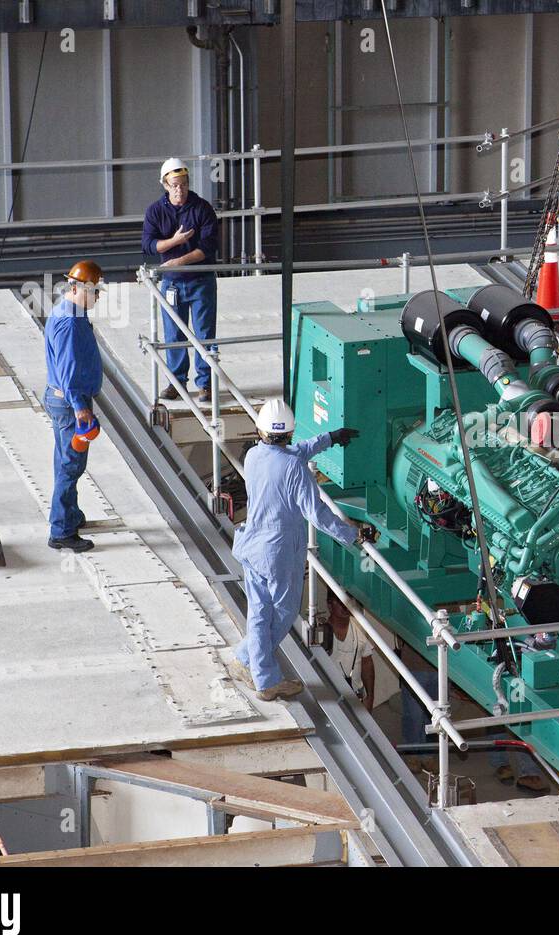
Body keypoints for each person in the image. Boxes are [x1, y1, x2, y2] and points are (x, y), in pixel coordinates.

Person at [228, 398, 372, 701]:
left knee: (258, 611)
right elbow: (317, 514)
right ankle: (264, 678)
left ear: (260, 430)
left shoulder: (254, 456)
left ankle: (247, 662)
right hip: (278, 552)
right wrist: (353, 535)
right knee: (283, 612)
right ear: (290, 433)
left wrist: (329, 439)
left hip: (251, 545)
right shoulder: (294, 467)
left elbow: (287, 454)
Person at [141, 157, 219, 404]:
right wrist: (175, 241)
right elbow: (148, 245)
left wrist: (178, 261)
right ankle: (176, 382)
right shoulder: (155, 211)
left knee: (204, 333)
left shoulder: (202, 208)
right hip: (172, 283)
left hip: (200, 280)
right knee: (173, 334)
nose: (179, 189)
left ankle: (205, 385)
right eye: (174, 185)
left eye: (183, 184)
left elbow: (208, 247)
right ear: (164, 184)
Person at [43, 260, 105, 554]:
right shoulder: (69, 322)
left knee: (66, 462)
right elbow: (68, 372)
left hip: (62, 399)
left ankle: (71, 515)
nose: (98, 296)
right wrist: (81, 410)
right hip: (70, 404)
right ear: (78, 288)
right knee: (70, 466)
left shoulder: (68, 310)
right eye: (95, 290)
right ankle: (62, 532)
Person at [326, 592, 376, 714]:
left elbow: (367, 663)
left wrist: (370, 697)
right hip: (331, 699)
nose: (344, 606)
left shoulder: (360, 626)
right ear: (330, 605)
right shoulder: (322, 631)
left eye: (347, 601)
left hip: (356, 696)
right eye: (339, 601)